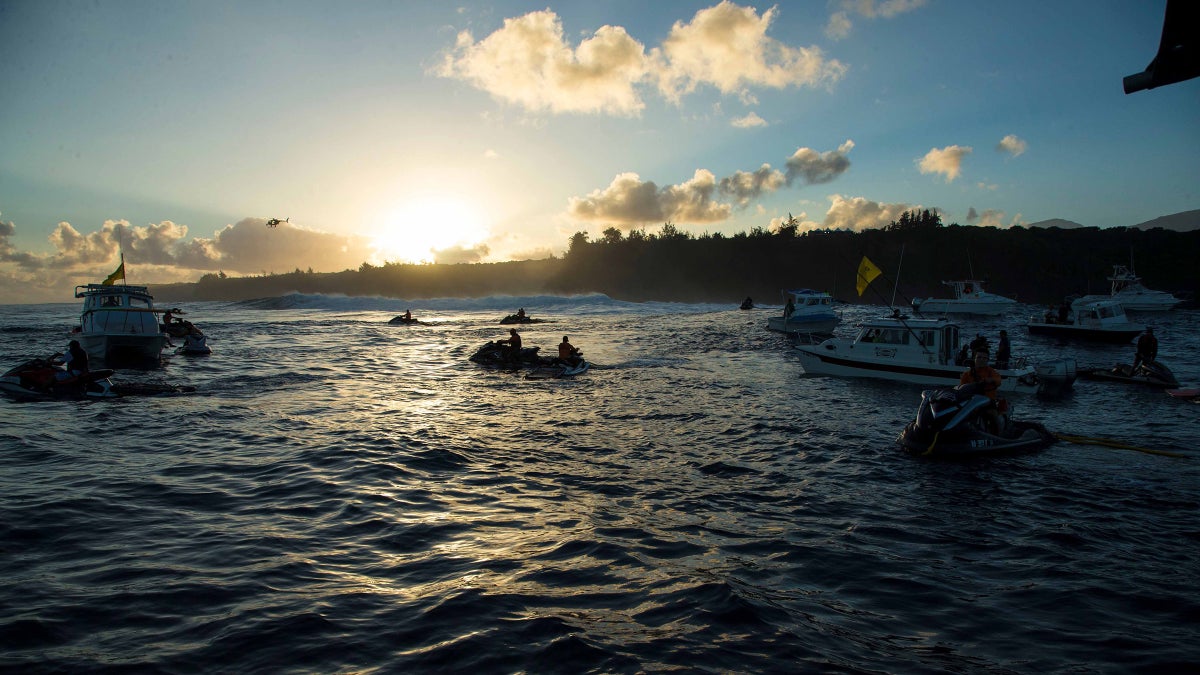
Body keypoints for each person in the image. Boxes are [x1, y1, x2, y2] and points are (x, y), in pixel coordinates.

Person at [960, 350, 1003, 434]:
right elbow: (961, 388)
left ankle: (998, 434)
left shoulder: (991, 372)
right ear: (974, 359)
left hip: (988, 401)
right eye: (979, 357)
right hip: (971, 401)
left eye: (984, 358)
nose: (981, 360)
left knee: (992, 414)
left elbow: (998, 381)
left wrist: (991, 380)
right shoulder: (967, 374)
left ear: (987, 360)